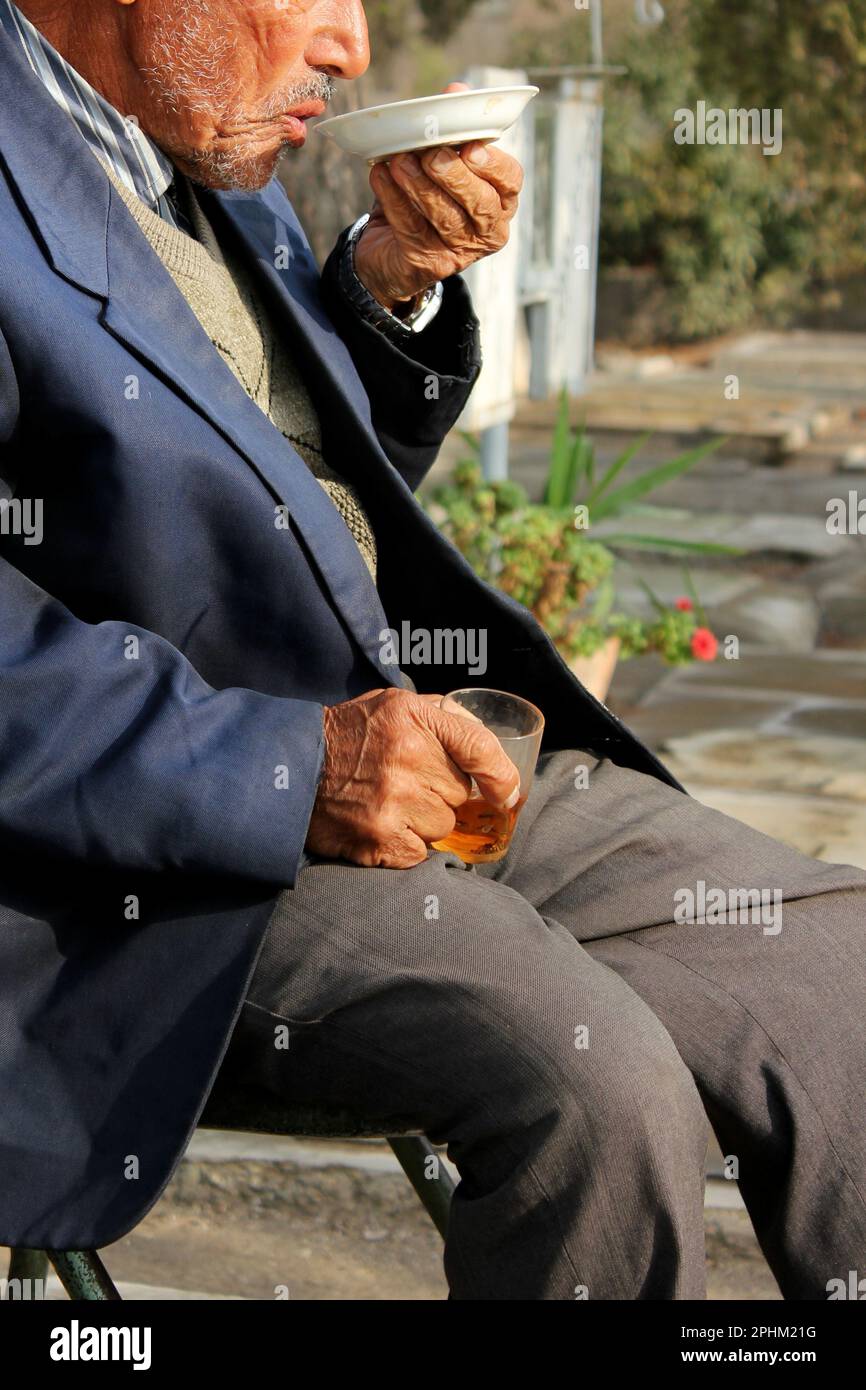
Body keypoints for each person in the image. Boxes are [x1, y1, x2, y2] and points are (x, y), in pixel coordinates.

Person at [0, 0, 863, 1300]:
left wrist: (383, 288)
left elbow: (259, 479)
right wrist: (299, 760)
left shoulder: (204, 146)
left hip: (396, 758)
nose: (350, 45)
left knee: (828, 974)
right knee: (593, 1078)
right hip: (145, 872)